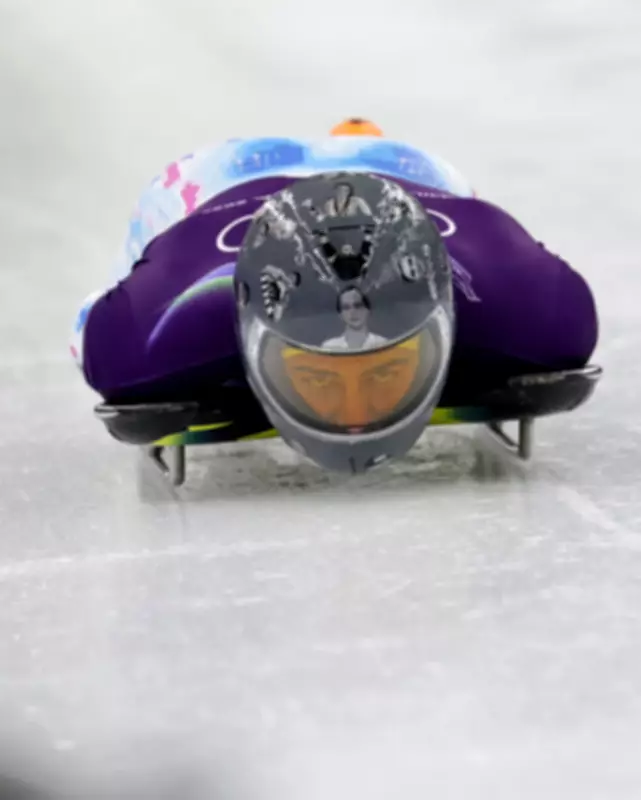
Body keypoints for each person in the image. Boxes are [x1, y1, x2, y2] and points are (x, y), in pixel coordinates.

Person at [71, 118, 598, 473]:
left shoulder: (522, 301)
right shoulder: (161, 326)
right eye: (319, 378)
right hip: (211, 183)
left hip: (394, 169)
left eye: (386, 371)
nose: (353, 416)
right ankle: (353, 136)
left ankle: (352, 139)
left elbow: (86, 325)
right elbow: (90, 324)